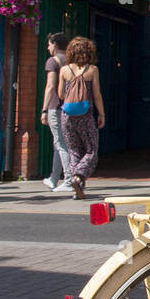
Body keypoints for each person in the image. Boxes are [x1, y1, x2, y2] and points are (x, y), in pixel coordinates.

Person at [58, 36, 105, 199]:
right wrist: (102, 114)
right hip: (85, 115)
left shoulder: (64, 70)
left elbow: (60, 94)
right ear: (88, 52)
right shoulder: (92, 70)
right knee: (91, 150)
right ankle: (79, 177)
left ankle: (75, 184)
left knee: (73, 151)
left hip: (67, 116)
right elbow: (97, 95)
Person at [41, 31, 72, 190]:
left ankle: (68, 180)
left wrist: (44, 110)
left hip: (56, 106)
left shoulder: (53, 61)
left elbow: (50, 86)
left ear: (55, 44)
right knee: (59, 143)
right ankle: (54, 178)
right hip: (70, 107)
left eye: (49, 44)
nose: (48, 47)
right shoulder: (72, 61)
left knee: (61, 144)